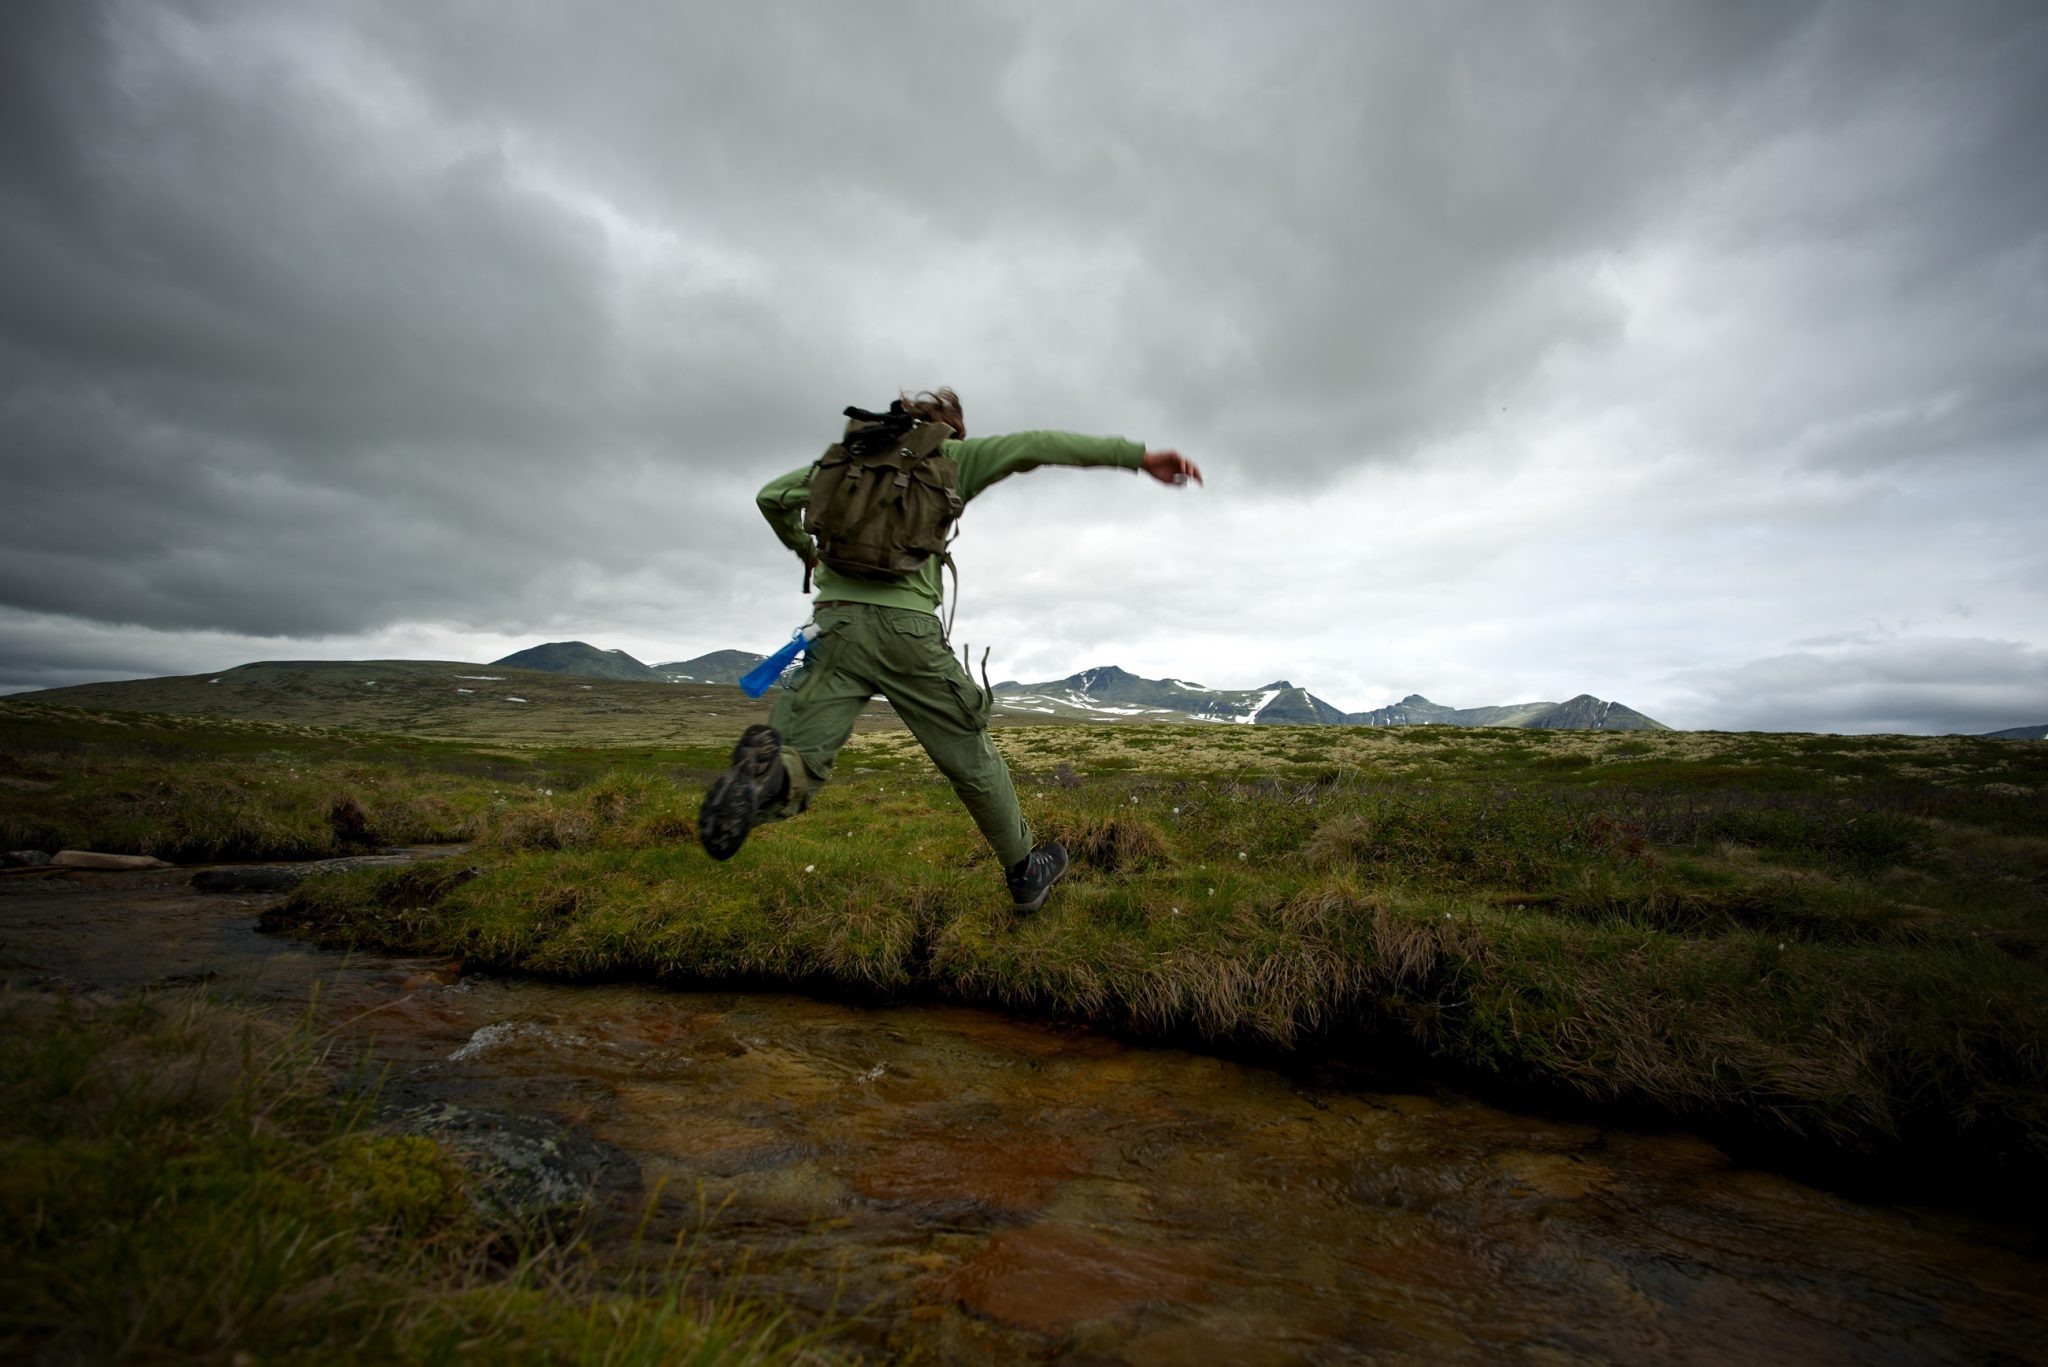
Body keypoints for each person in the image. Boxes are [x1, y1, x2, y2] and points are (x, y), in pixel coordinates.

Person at [699, 388, 1203, 914]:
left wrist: (810, 554)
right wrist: (1139, 458)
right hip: (909, 633)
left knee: (801, 753)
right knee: (972, 757)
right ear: (949, 429)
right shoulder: (953, 458)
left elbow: (770, 498)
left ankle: (765, 783)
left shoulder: (843, 462)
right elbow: (1037, 444)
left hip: (835, 629)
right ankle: (1026, 872)